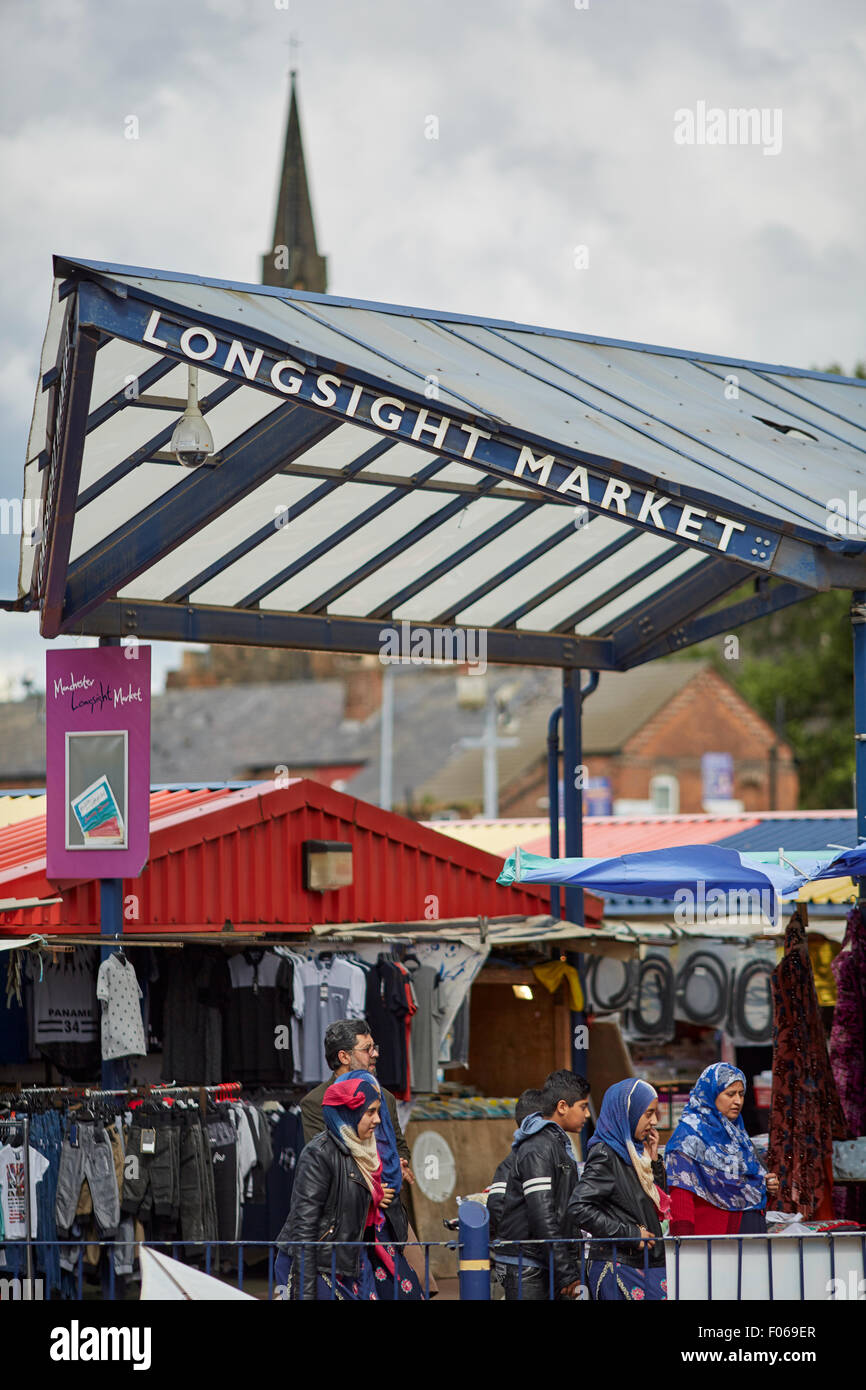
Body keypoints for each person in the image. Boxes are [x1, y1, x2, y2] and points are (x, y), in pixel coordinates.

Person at [275, 1071, 424, 1300]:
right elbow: (304, 1227)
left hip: (352, 1261)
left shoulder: (365, 1151)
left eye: (377, 1111)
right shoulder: (319, 1154)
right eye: (370, 1112)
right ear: (349, 1113)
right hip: (319, 1265)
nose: (377, 1119)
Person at [569, 1078, 669, 1301]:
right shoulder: (606, 1153)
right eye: (648, 1113)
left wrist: (653, 1162)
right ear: (628, 1113)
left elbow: (656, 1205)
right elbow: (578, 1207)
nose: (653, 1121)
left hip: (644, 1264)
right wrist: (630, 1234)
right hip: (621, 1267)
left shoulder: (635, 1153)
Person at [497, 1070, 591, 1300]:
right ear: (562, 1106)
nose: (587, 1114)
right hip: (529, 1266)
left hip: (545, 1262)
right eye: (583, 1106)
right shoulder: (538, 1148)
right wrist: (567, 1273)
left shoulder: (556, 1143)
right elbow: (542, 1214)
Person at [664, 1062, 780, 1238]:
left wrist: (765, 1185)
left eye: (741, 1094)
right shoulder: (688, 1138)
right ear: (711, 1093)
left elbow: (741, 1185)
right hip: (713, 1245)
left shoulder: (737, 1135)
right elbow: (681, 1197)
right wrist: (684, 1247)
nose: (738, 1101)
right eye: (730, 1094)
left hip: (750, 1237)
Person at [301, 1018, 412, 1179]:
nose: (375, 1054)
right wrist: (373, 1186)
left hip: (387, 1197)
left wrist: (400, 1164)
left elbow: (399, 1146)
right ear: (344, 1057)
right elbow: (322, 1160)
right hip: (344, 1200)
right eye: (367, 1049)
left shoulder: (385, 1097)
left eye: (374, 1047)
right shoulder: (316, 1102)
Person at [486, 1088, 545, 1243]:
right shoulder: (515, 1160)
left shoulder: (548, 1154)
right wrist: (526, 1242)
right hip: (524, 1255)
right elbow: (496, 1204)